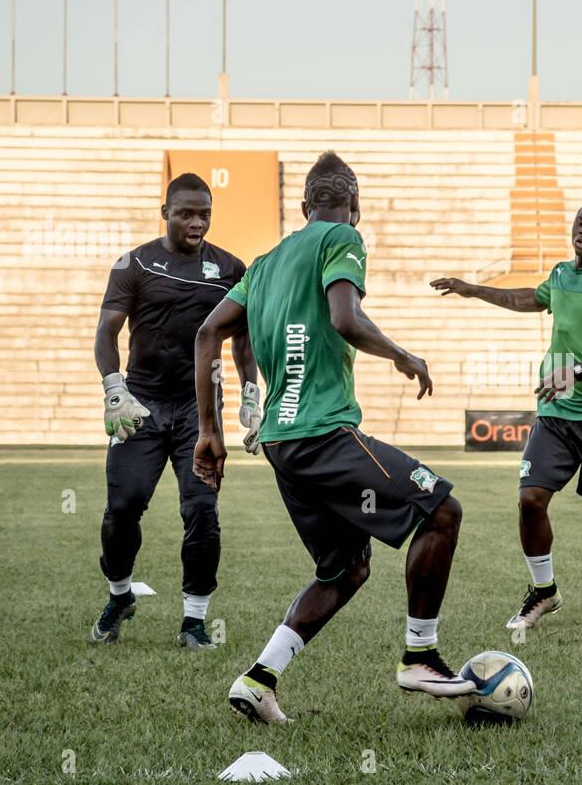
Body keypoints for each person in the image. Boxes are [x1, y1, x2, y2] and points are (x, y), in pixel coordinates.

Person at [192, 150, 473, 724]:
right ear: (355, 208)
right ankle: (420, 655)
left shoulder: (265, 262)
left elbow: (205, 333)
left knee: (344, 569)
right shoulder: (343, 238)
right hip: (323, 435)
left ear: (303, 206)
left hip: (280, 443)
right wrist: (403, 354)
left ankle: (258, 679)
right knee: (442, 511)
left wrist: (209, 433)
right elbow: (345, 318)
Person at [431, 198, 582, 629]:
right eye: (580, 222)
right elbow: (529, 298)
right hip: (554, 409)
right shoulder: (561, 274)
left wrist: (580, 369)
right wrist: (474, 289)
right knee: (530, 499)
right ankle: (545, 592)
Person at [90, 173, 258, 649]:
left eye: (204, 214)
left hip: (198, 412)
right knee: (122, 509)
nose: (196, 222)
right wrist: (113, 388)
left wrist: (251, 391)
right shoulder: (134, 263)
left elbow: (242, 338)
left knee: (202, 511)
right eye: (186, 213)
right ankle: (120, 596)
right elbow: (107, 331)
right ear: (164, 213)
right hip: (140, 405)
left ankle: (194, 622)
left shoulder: (230, 268)